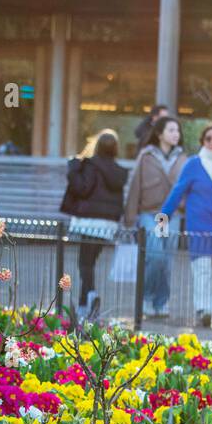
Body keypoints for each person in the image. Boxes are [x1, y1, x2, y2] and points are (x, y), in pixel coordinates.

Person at [160, 120, 212, 329]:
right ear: (203, 141)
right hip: (199, 225)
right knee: (202, 268)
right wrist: (163, 217)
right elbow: (177, 192)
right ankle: (203, 309)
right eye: (208, 139)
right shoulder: (194, 164)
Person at [124, 115, 186, 318]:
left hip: (172, 215)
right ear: (159, 134)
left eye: (177, 130)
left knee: (167, 262)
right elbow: (134, 186)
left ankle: (162, 303)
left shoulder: (183, 158)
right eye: (171, 130)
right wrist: (130, 217)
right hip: (150, 213)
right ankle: (148, 299)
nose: (175, 134)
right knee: (155, 256)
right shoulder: (146, 155)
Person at [62, 129, 128, 318]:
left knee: (84, 263)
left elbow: (82, 188)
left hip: (89, 220)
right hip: (108, 223)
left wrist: (73, 169)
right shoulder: (118, 171)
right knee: (90, 262)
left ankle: (90, 296)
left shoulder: (90, 165)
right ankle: (85, 302)